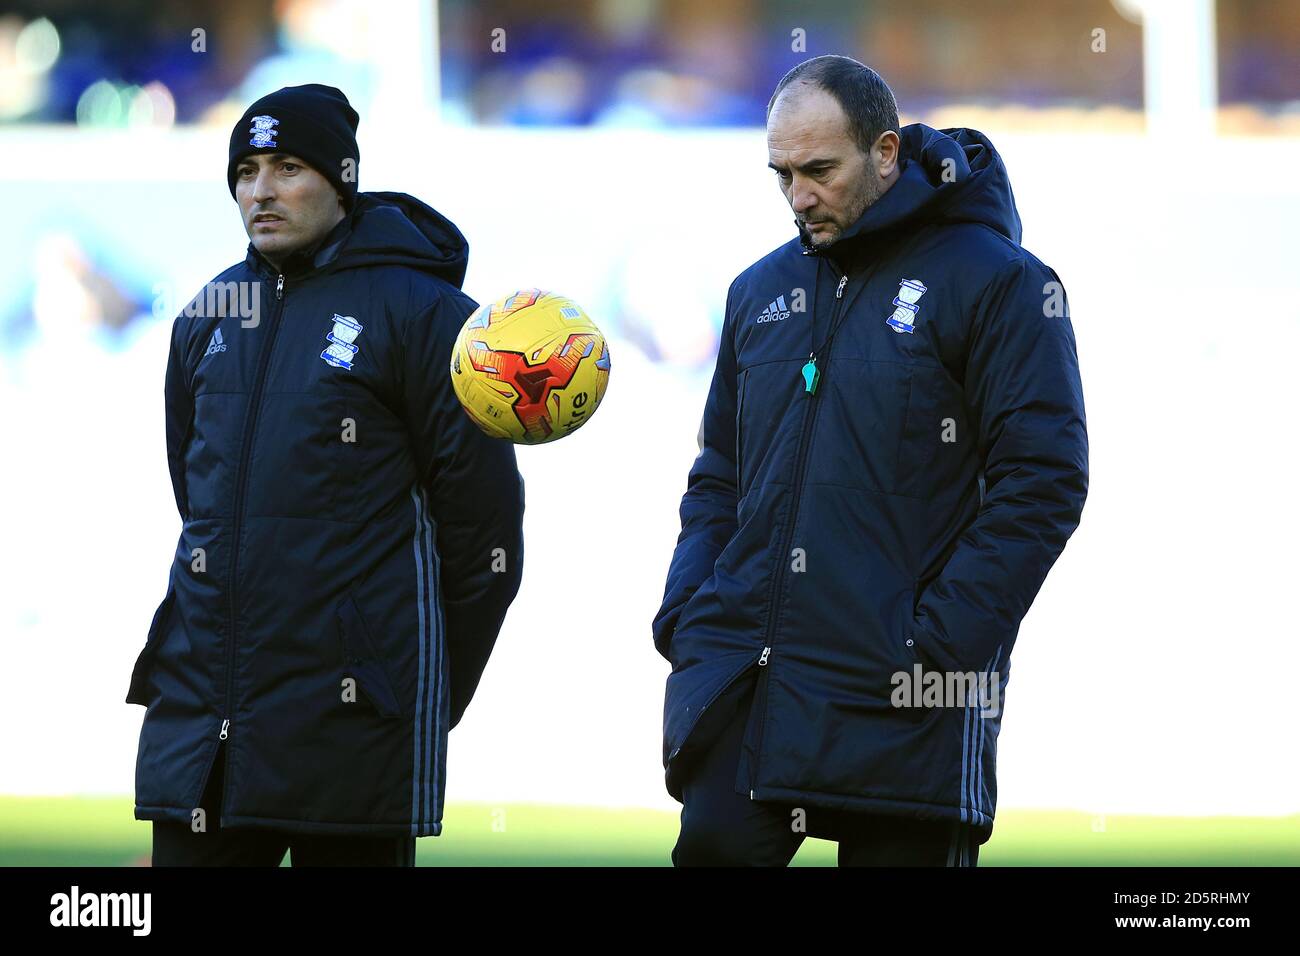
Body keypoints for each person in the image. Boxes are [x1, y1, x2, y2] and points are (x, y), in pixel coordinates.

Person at [652, 56, 1088, 866]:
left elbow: (1043, 481)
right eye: (781, 174)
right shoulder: (758, 292)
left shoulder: (1001, 284)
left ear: (885, 152)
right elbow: (719, 475)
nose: (797, 196)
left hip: (908, 694)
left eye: (819, 170)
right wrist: (691, 612)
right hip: (753, 678)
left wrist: (937, 645)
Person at [126, 84, 525, 866]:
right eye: (245, 170)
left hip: (350, 727)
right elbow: (200, 501)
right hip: (205, 719)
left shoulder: (429, 316)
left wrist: (412, 689)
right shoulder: (208, 316)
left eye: (288, 166)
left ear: (341, 181)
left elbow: (484, 537)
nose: (261, 190)